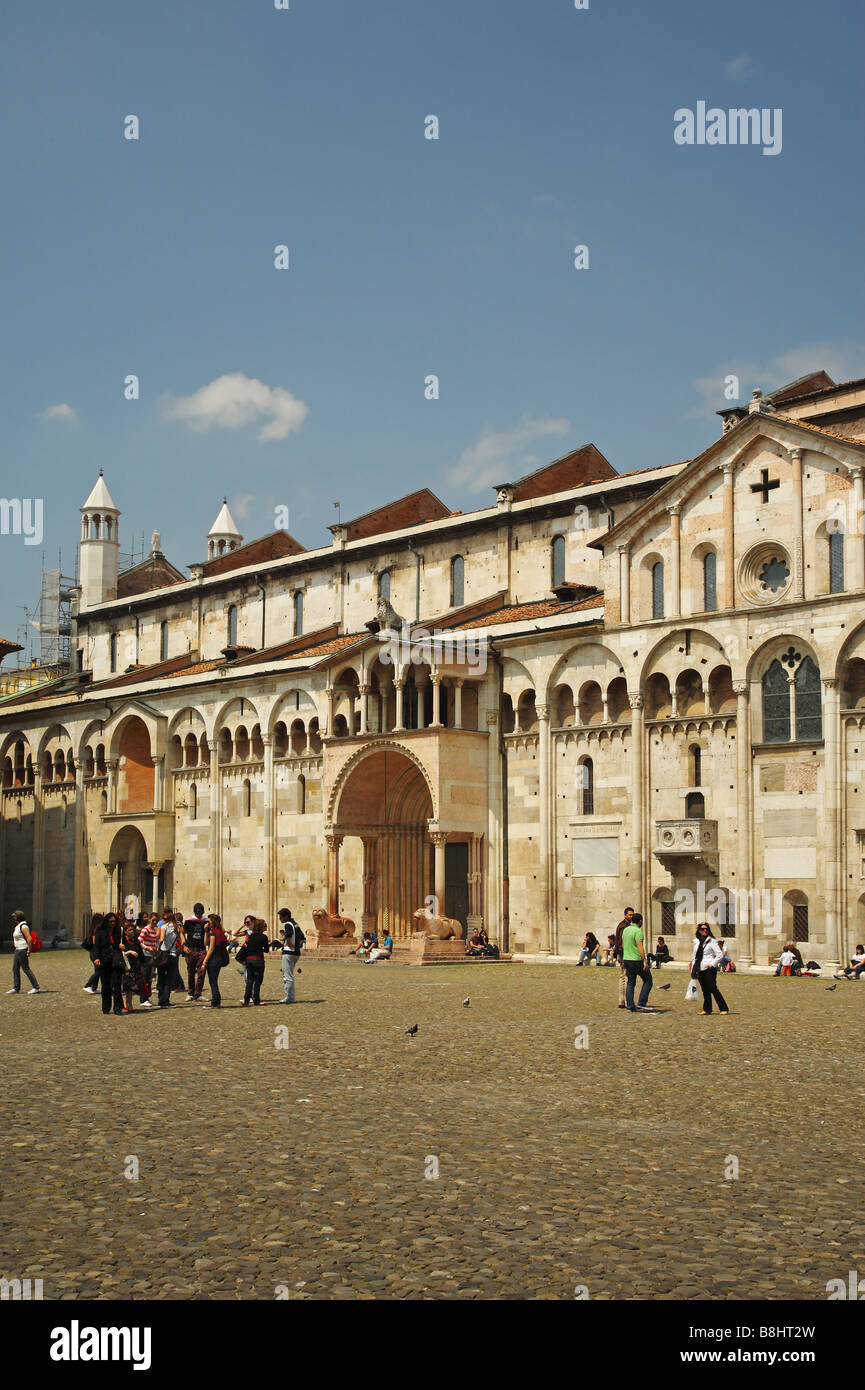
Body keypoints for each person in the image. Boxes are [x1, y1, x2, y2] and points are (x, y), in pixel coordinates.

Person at [690, 922, 729, 1014]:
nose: (705, 931)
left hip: (709, 968)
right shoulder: (696, 942)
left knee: (712, 988)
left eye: (706, 929)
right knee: (705, 989)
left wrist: (712, 964)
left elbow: (719, 955)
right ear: (699, 931)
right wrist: (692, 969)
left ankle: (723, 1008)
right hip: (699, 967)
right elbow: (694, 956)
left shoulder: (712, 941)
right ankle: (707, 1009)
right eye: (703, 929)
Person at [621, 911, 653, 1013]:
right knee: (648, 980)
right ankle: (641, 1003)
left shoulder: (626, 930)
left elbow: (623, 944)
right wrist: (644, 961)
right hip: (636, 960)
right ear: (640, 921)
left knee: (630, 982)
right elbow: (640, 947)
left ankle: (630, 1005)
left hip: (627, 959)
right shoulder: (637, 931)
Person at [94, 912, 124, 1015]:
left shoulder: (118, 931)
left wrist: (119, 946)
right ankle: (106, 1007)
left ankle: (117, 1007)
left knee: (117, 984)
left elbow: (118, 943)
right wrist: (96, 958)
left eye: (114, 921)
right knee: (105, 985)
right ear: (106, 922)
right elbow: (96, 946)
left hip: (116, 959)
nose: (112, 923)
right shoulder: (100, 931)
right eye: (111, 921)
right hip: (104, 959)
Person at [7, 910, 41, 995]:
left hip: (22, 949)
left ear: (18, 917)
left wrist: (29, 950)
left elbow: (29, 939)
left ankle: (36, 987)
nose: (14, 918)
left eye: (15, 916)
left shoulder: (24, 926)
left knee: (26, 969)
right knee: (15, 969)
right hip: (17, 949)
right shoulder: (18, 926)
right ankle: (16, 988)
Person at [275, 907, 303, 1003]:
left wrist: (290, 943)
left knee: (287, 976)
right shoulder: (296, 924)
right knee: (289, 974)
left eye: (281, 917)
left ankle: (289, 997)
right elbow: (302, 937)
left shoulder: (288, 924)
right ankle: (290, 997)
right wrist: (297, 946)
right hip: (296, 953)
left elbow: (289, 934)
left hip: (289, 952)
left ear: (286, 916)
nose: (280, 919)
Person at [201, 913, 230, 1008]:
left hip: (214, 959)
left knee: (213, 981)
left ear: (212, 922)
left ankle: (215, 1002)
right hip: (219, 958)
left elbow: (211, 948)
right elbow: (206, 942)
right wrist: (206, 932)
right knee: (213, 980)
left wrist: (204, 961)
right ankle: (216, 1001)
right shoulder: (218, 931)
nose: (207, 923)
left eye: (208, 921)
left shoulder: (214, 932)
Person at [182, 902, 209, 1001]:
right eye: (197, 912)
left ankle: (198, 993)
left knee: (201, 972)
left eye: (200, 912)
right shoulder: (189, 921)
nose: (199, 914)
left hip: (201, 949)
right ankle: (190, 993)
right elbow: (181, 932)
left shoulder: (206, 921)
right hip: (191, 949)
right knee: (190, 972)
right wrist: (183, 946)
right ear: (194, 911)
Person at [241, 918, 270, 1005]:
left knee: (249, 980)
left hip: (249, 960)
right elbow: (266, 950)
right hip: (259, 961)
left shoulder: (250, 936)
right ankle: (256, 1000)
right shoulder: (264, 937)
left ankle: (246, 1000)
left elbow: (248, 946)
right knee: (257, 981)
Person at [119, 920, 146, 1014]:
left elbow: (140, 952)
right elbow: (121, 954)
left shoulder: (136, 941)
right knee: (129, 987)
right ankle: (128, 1004)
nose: (132, 932)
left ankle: (127, 1003)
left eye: (133, 930)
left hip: (135, 966)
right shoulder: (123, 942)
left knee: (135, 987)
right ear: (125, 931)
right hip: (127, 966)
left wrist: (143, 962)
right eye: (130, 930)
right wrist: (129, 952)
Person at [156, 913, 181, 1008]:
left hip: (163, 954)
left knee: (161, 977)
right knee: (169, 979)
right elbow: (182, 941)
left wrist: (158, 948)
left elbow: (161, 939)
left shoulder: (163, 927)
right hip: (173, 955)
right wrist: (178, 950)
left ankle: (160, 1000)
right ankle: (166, 1000)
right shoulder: (177, 928)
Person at [136, 913, 160, 1006]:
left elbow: (156, 941)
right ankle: (143, 999)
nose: (155, 922)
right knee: (145, 977)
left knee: (149, 978)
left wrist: (156, 948)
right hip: (145, 956)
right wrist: (147, 948)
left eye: (156, 921)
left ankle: (147, 997)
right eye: (153, 920)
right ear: (149, 920)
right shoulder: (145, 929)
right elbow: (139, 941)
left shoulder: (154, 930)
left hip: (152, 956)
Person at [613, 907, 635, 1008]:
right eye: (630, 915)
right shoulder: (624, 926)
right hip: (624, 955)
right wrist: (624, 956)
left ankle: (622, 1001)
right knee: (626, 977)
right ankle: (625, 1000)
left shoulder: (625, 925)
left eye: (632, 915)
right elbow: (621, 943)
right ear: (625, 915)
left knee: (623, 977)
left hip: (623, 954)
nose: (631, 916)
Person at [82, 914, 102, 993]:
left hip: (93, 952)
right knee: (99, 970)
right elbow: (95, 943)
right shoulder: (96, 930)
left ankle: (94, 987)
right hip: (95, 952)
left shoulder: (93, 929)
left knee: (97, 969)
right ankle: (88, 985)